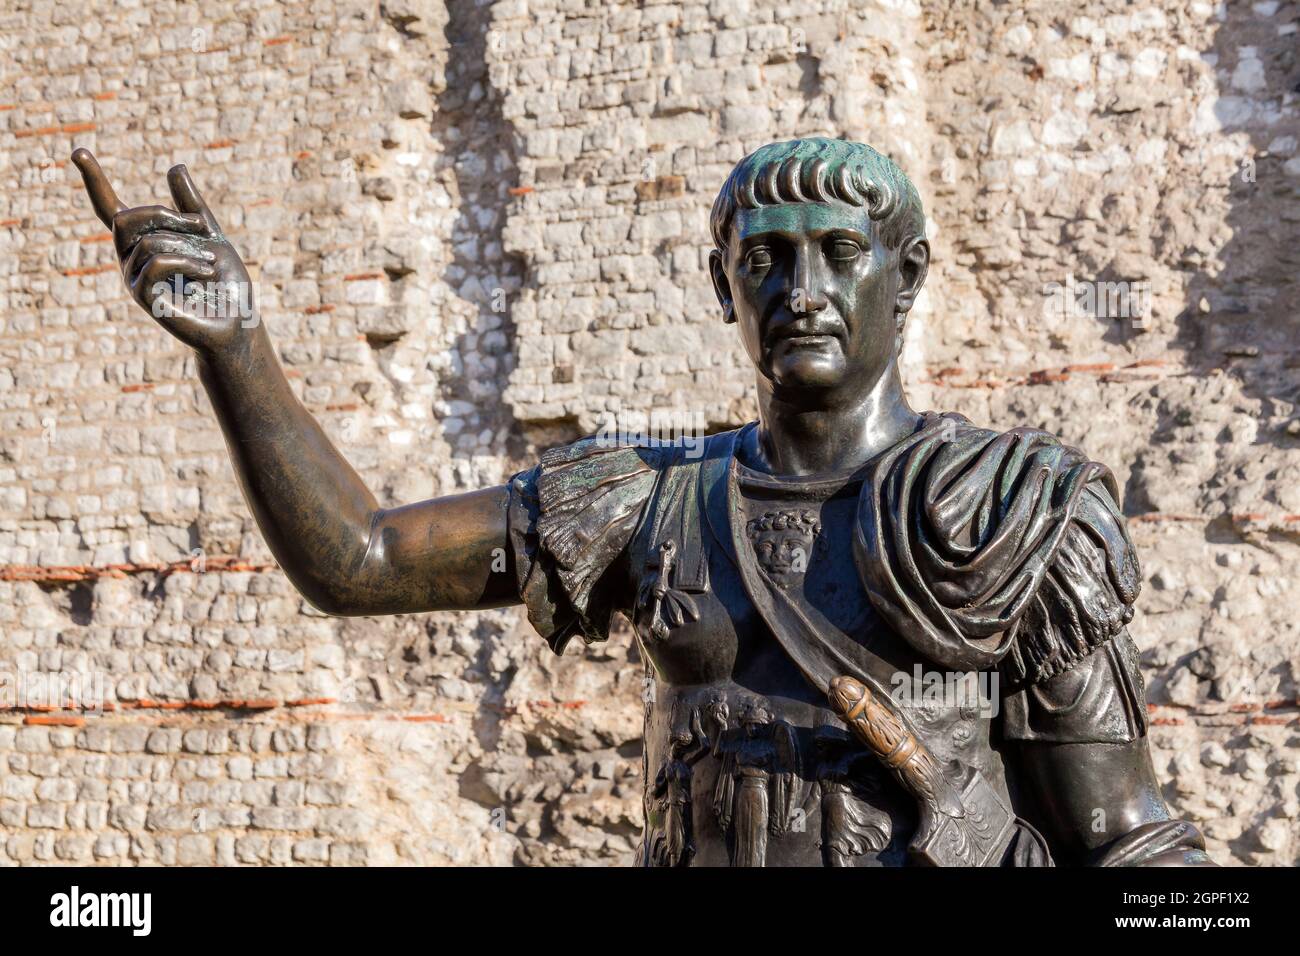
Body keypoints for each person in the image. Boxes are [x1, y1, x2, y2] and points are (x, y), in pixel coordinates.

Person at [71, 136, 1212, 866]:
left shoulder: (1015, 511)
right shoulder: (645, 497)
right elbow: (359, 561)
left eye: (838, 251)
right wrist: (238, 349)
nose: (801, 289)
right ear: (724, 285)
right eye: (764, 260)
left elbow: (1125, 834)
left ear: (904, 275)